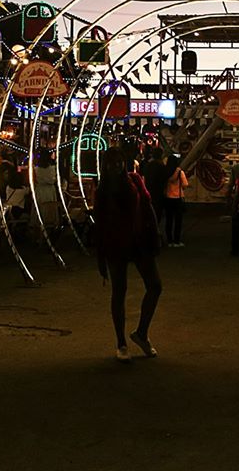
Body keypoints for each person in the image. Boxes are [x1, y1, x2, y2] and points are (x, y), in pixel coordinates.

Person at [94, 147, 162, 362]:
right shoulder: (103, 189)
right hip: (115, 245)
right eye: (111, 162)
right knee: (119, 291)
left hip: (139, 241)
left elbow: (148, 205)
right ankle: (121, 343)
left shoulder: (134, 179)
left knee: (155, 286)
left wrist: (155, 233)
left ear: (124, 162)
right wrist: (100, 256)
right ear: (105, 165)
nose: (116, 166)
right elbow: (100, 224)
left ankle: (141, 333)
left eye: (119, 161)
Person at [163, 155, 189, 247]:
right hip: (177, 198)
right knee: (178, 221)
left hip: (167, 198)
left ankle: (169, 241)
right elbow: (185, 184)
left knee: (169, 220)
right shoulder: (179, 172)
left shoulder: (165, 172)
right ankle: (177, 241)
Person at [141, 147, 167, 223]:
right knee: (157, 211)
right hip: (159, 191)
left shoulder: (148, 165)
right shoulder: (161, 165)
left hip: (149, 190)